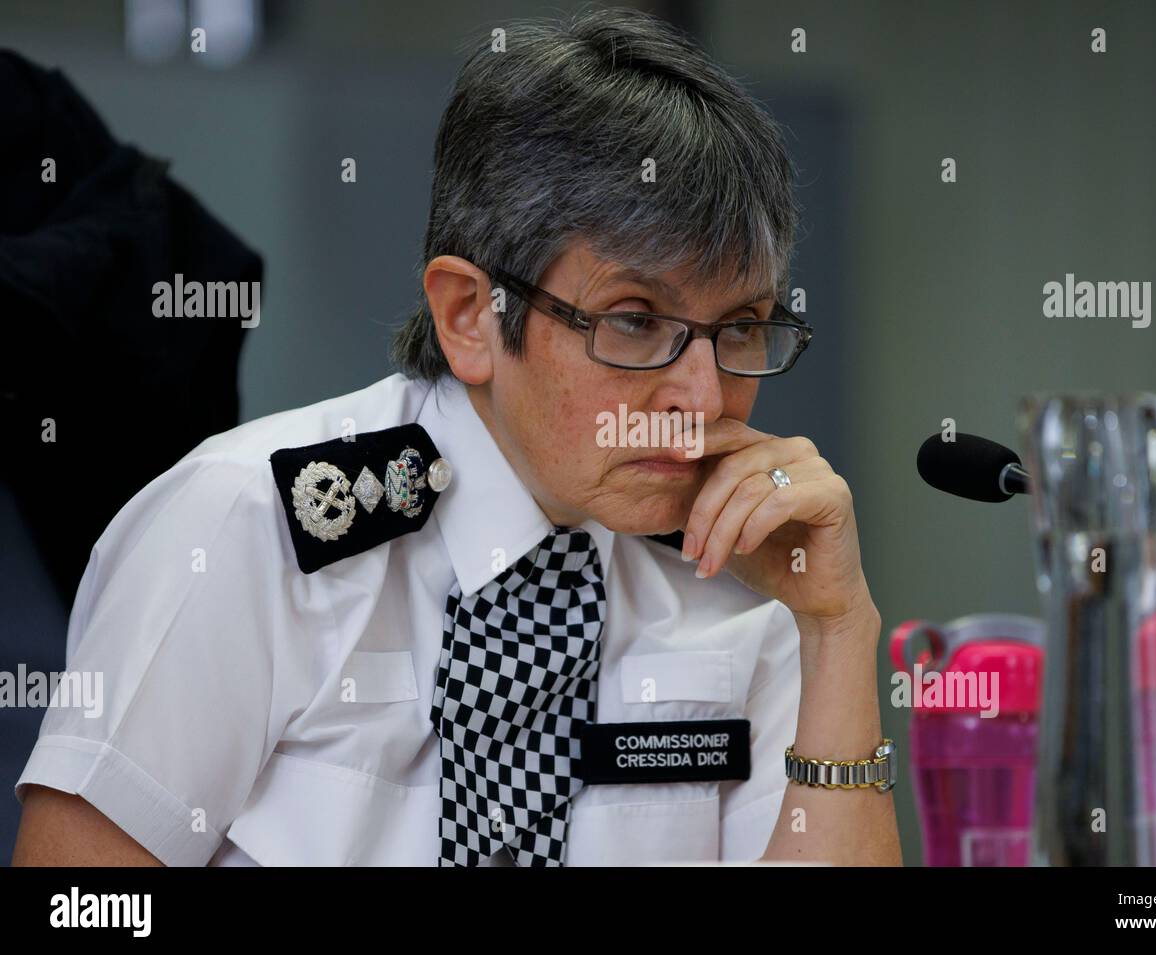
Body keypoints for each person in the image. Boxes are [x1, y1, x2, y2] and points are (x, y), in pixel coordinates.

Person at [11, 7, 902, 867]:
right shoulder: (248, 527)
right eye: (635, 320)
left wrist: (837, 630)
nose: (703, 398)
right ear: (471, 314)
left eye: (740, 327)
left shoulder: (745, 578)